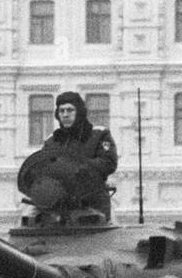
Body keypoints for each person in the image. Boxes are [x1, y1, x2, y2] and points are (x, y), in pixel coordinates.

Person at [20, 91, 119, 219]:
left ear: (79, 112)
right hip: (58, 205)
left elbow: (108, 163)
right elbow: (42, 168)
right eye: (61, 111)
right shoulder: (52, 141)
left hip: (92, 203)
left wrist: (79, 167)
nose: (65, 115)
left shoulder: (98, 135)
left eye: (70, 110)